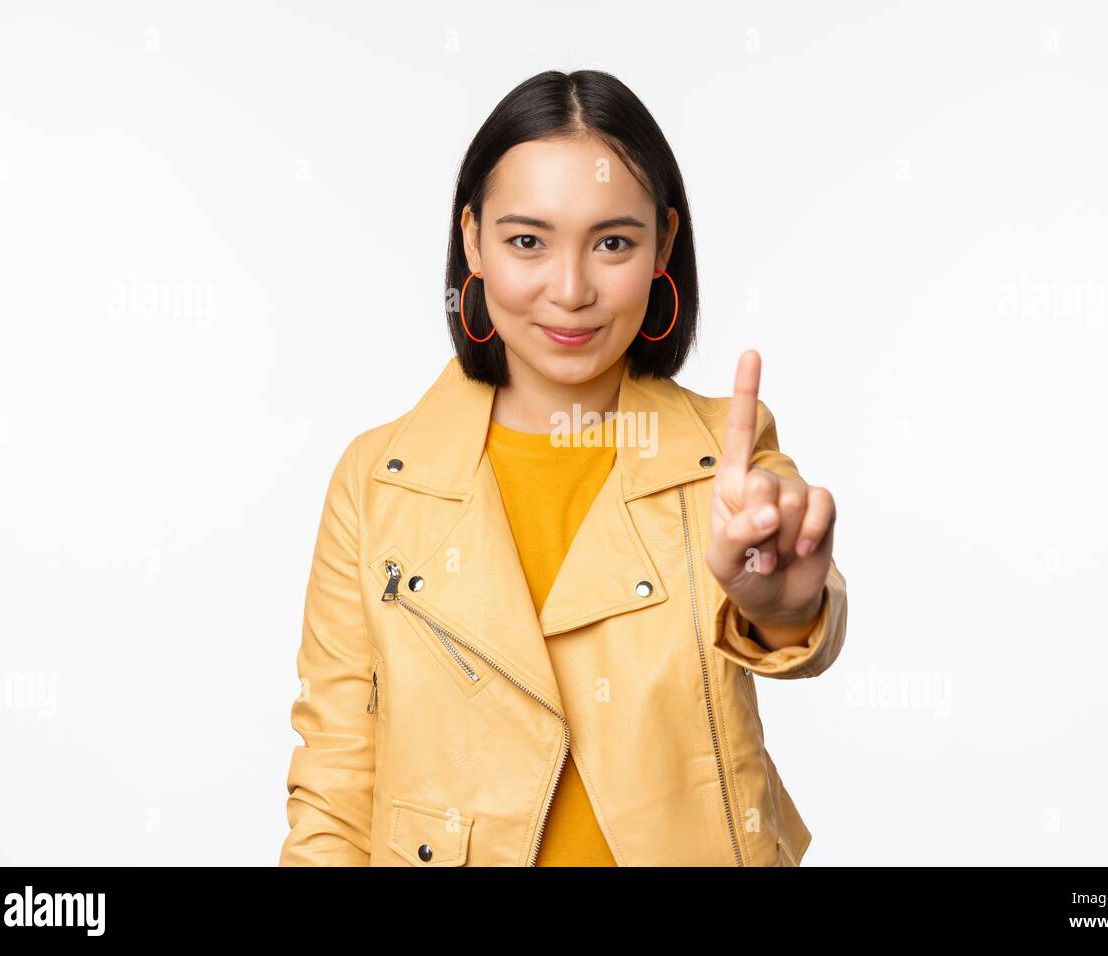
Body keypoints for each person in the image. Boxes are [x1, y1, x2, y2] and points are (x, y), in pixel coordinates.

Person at [279, 69, 847, 867]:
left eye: (613, 242)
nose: (571, 290)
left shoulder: (724, 453)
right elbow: (335, 785)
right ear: (473, 239)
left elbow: (798, 617)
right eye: (527, 241)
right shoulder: (376, 481)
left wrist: (784, 609)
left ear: (664, 248)